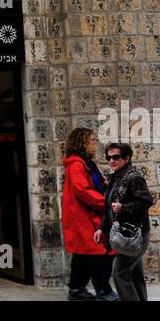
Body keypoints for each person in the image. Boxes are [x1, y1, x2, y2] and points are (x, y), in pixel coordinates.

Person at [62, 127, 116, 300]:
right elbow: (83, 191)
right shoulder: (77, 164)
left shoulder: (85, 163)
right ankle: (103, 290)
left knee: (83, 254)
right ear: (82, 142)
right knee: (99, 252)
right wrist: (105, 203)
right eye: (92, 140)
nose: (95, 143)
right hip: (84, 216)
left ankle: (77, 289)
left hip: (85, 215)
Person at [96, 142, 153, 301]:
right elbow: (109, 207)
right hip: (125, 233)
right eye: (109, 157)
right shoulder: (116, 176)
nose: (111, 161)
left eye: (116, 157)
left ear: (127, 158)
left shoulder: (134, 177)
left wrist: (123, 207)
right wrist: (102, 228)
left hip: (136, 234)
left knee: (120, 273)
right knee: (134, 274)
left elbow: (146, 201)